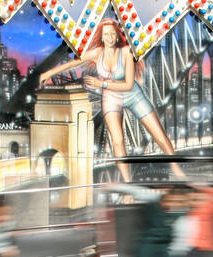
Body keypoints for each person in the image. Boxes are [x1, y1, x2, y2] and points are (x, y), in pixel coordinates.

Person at [37, 19, 182, 182]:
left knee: (159, 135)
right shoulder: (97, 53)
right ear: (102, 36)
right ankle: (127, 183)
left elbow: (127, 85)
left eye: (113, 34)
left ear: (118, 36)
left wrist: (102, 83)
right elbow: (72, 64)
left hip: (133, 95)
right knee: (118, 142)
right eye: (106, 34)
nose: (110, 37)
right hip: (111, 97)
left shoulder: (126, 52)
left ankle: (178, 171)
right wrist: (47, 74)